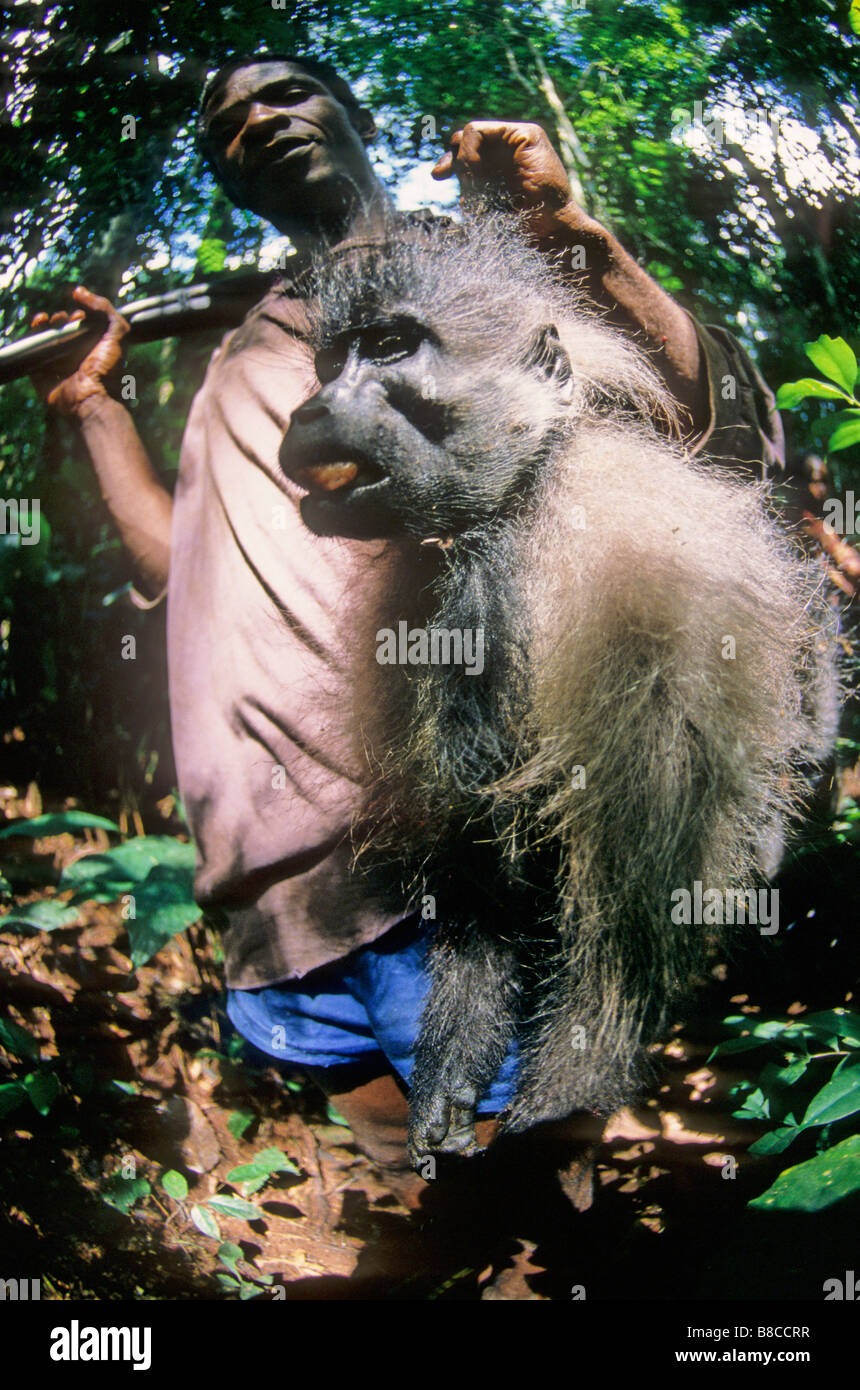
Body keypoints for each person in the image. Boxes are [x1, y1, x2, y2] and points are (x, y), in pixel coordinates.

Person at [31, 54, 786, 1197]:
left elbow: (691, 420)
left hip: (436, 838)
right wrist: (92, 402)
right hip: (265, 874)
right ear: (222, 177)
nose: (260, 122)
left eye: (285, 93)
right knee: (416, 1183)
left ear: (351, 109)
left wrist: (560, 231)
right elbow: (181, 561)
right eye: (229, 122)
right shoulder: (243, 348)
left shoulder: (462, 265)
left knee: (529, 1184)